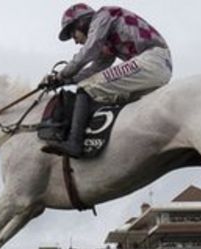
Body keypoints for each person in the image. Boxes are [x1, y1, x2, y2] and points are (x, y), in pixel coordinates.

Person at [41, 3, 172, 158]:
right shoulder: (107, 38)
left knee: (86, 87)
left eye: (73, 35)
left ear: (81, 23)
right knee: (103, 95)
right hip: (156, 67)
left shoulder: (103, 15)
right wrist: (66, 81)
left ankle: (74, 143)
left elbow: (89, 50)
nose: (75, 41)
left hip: (151, 60)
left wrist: (60, 76)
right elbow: (97, 67)